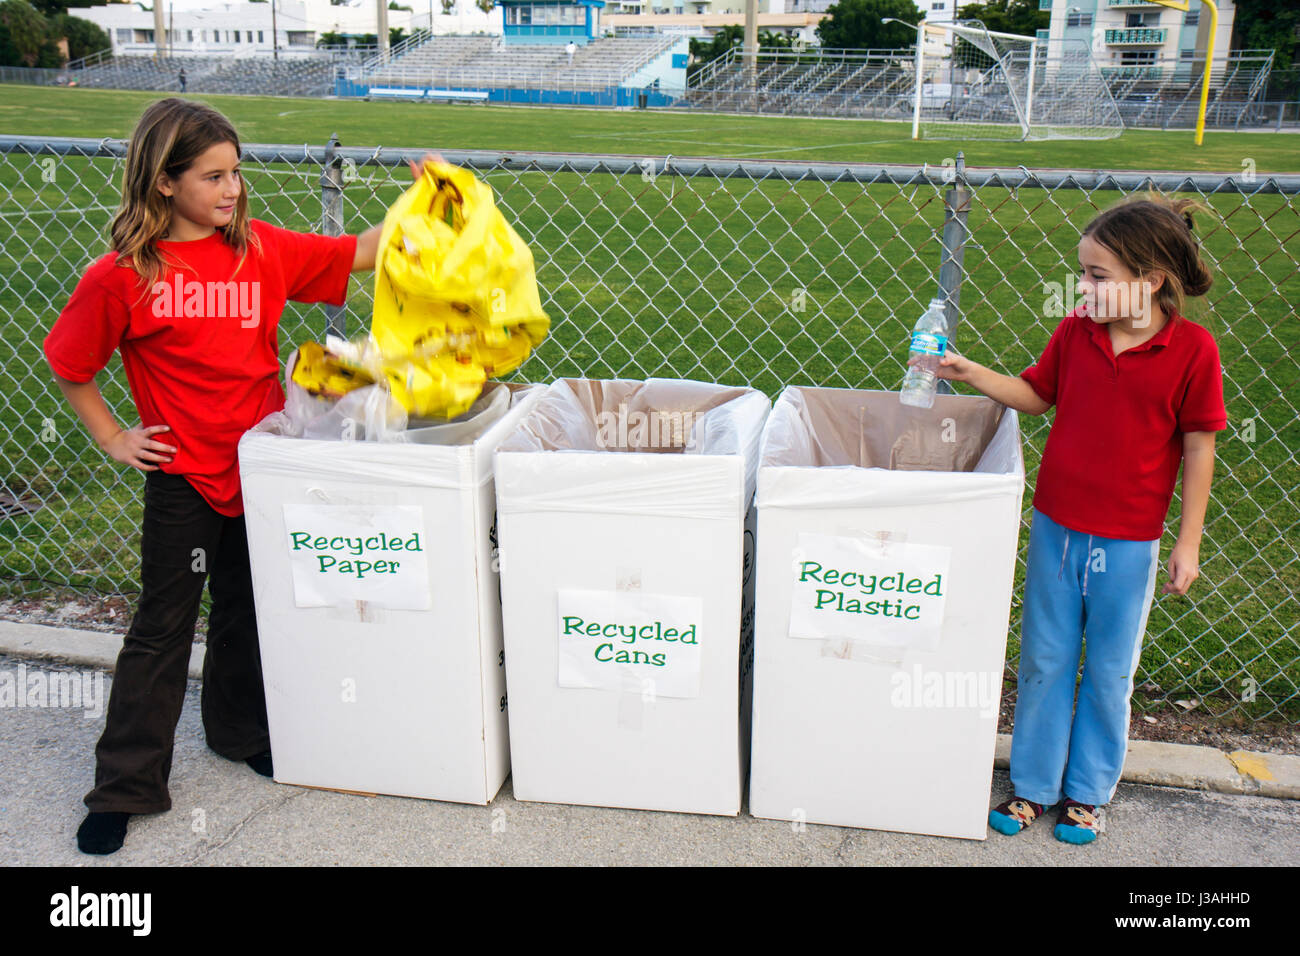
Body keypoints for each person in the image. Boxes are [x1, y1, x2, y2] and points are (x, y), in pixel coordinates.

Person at [45, 97, 437, 855]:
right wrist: (114, 436)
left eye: (236, 173)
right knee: (161, 629)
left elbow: (361, 250)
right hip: (185, 475)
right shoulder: (123, 276)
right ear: (164, 181)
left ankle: (238, 734)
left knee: (249, 611)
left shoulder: (259, 250)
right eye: (212, 176)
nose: (231, 190)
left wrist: (427, 200)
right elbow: (70, 364)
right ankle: (124, 787)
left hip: (261, 463)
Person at [931, 195, 1225, 845]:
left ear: (1149, 282)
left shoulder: (1192, 351)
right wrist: (968, 370)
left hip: (1129, 541)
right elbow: (1037, 396)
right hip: (1058, 528)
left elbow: (1200, 445)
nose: (1083, 287)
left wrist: (1189, 542)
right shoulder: (1075, 331)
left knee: (1110, 669)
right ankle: (1033, 785)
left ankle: (1087, 791)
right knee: (1046, 658)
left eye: (1097, 275)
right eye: (1082, 273)